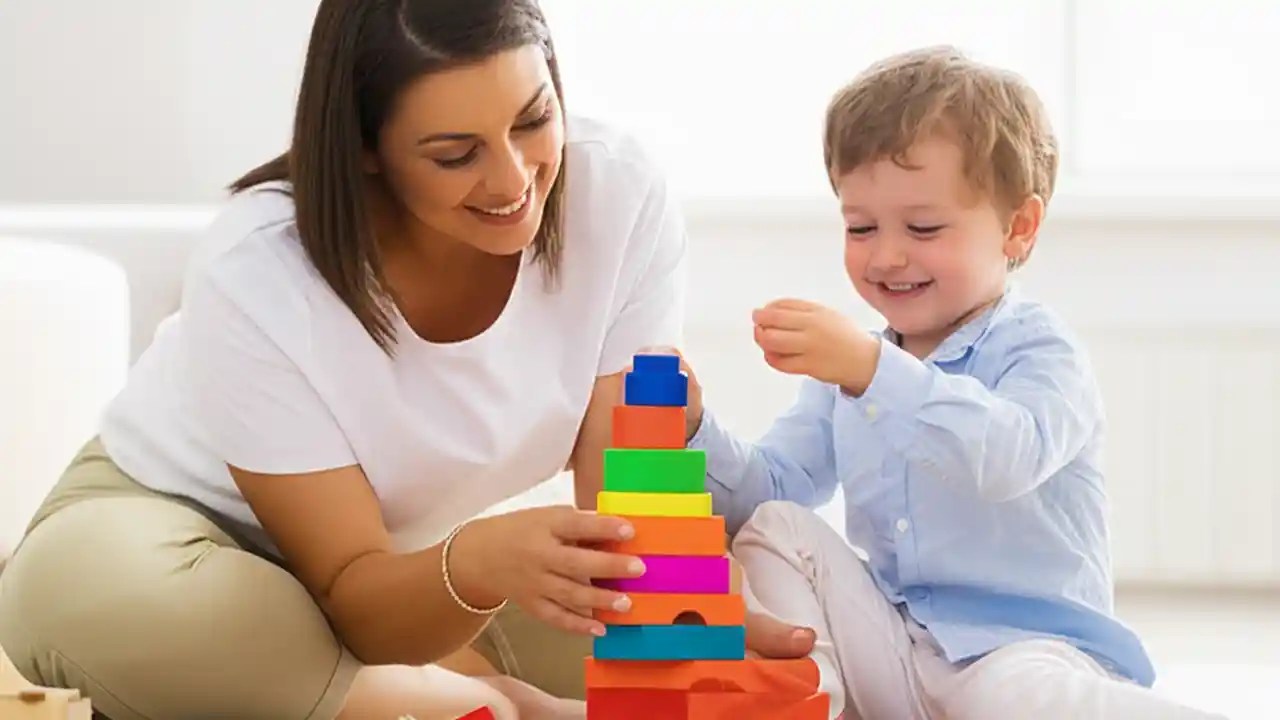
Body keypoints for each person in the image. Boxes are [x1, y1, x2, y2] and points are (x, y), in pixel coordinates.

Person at [0, 2, 815, 719]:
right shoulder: (260, 267)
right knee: (80, 597)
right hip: (176, 529)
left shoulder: (619, 196)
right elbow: (354, 592)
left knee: (725, 652)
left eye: (534, 119)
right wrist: (481, 563)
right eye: (456, 154)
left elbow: (617, 518)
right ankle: (461, 703)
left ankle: (409, 691)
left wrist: (698, 623)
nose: (514, 179)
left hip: (399, 579)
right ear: (364, 149)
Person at [676, 47, 1227, 719]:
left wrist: (872, 372)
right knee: (776, 527)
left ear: (1017, 228)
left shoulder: (1038, 350)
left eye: (924, 227)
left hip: (1020, 650)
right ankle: (810, 700)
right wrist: (692, 429)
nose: (887, 255)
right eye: (861, 226)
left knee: (1019, 698)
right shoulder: (854, 368)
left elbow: (1003, 455)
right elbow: (772, 486)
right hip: (900, 651)